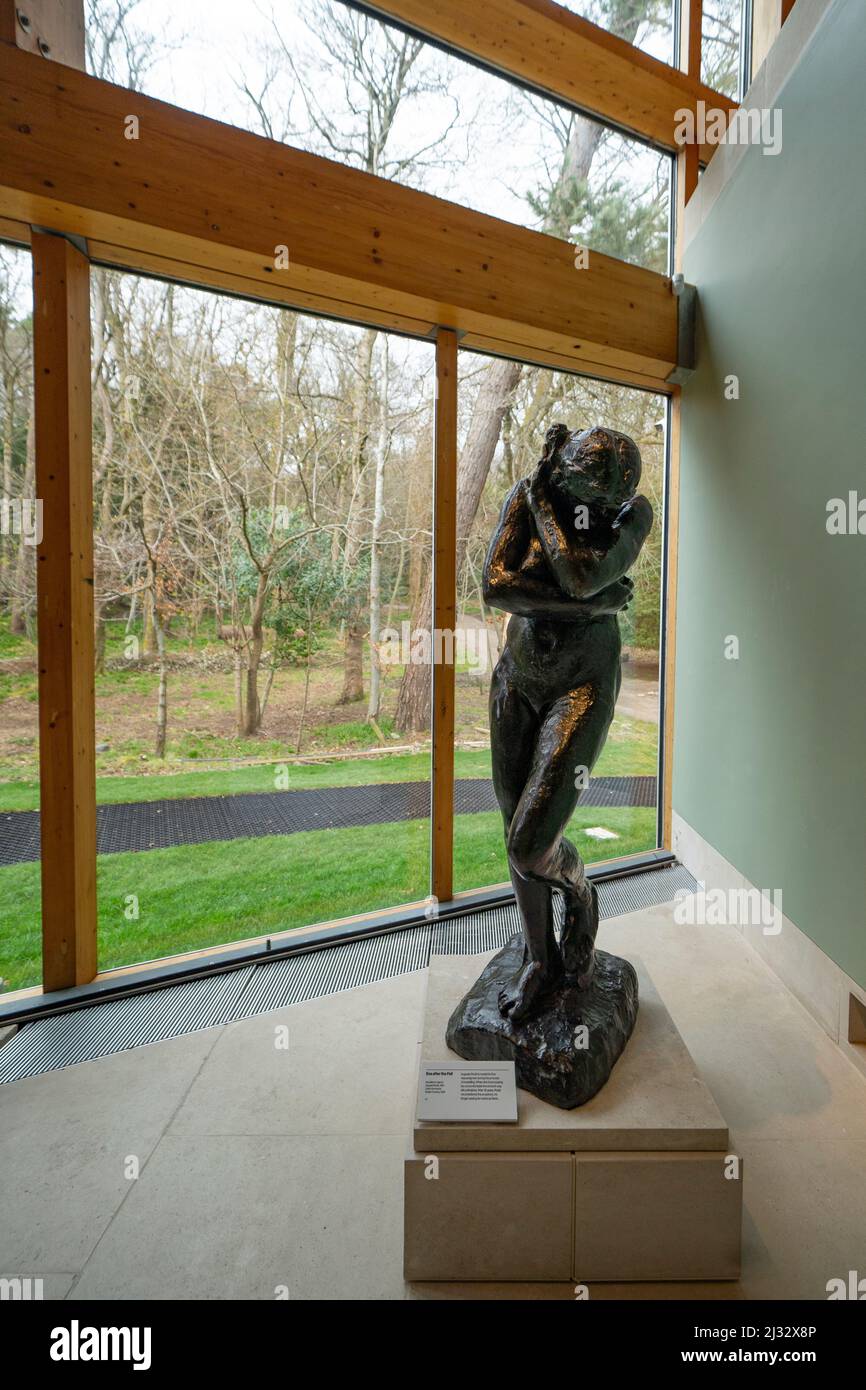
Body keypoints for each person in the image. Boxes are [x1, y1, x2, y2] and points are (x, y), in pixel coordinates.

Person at [482, 422, 653, 1023]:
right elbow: (497, 586)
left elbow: (579, 574)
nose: (591, 509)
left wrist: (540, 511)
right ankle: (540, 960)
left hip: (582, 687)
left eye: (603, 500)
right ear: (565, 471)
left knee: (532, 845)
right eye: (582, 494)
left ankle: (578, 889)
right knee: (514, 829)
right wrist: (592, 606)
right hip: (517, 678)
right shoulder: (528, 494)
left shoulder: (632, 514)